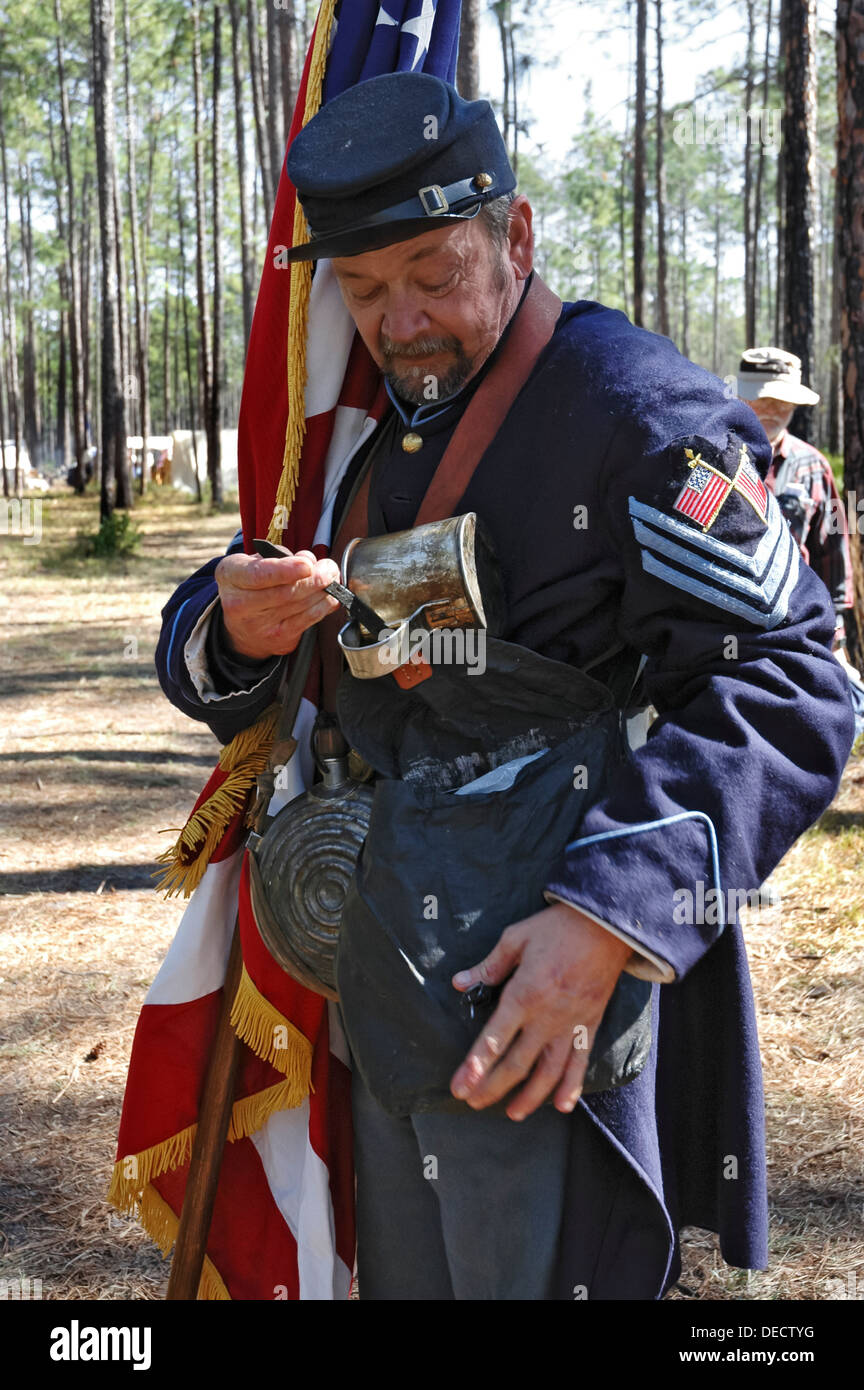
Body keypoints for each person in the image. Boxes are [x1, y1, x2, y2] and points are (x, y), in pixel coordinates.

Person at [155, 72, 854, 1299]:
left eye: (435, 272)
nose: (402, 320)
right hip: (384, 974)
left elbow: (796, 679)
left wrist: (610, 916)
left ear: (515, 236)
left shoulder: (637, 411)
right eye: (364, 291)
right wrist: (239, 627)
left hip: (557, 987)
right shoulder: (359, 411)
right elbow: (225, 609)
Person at [737, 347, 863, 733]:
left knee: (802, 730)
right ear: (741, 395)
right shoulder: (711, 457)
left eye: (784, 400)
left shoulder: (814, 465)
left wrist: (837, 639)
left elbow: (833, 554)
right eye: (762, 396)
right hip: (727, 633)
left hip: (798, 628)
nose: (772, 408)